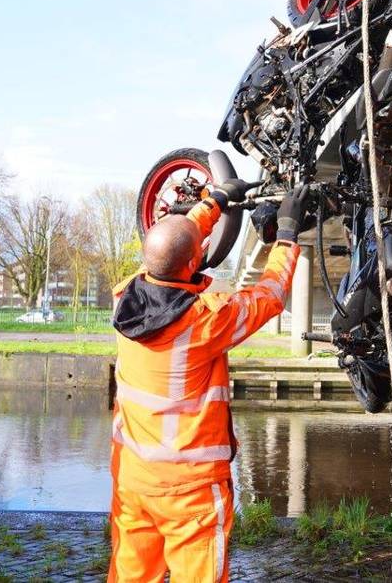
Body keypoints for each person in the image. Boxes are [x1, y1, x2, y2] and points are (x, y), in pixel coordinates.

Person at [106, 181, 310, 582]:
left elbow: (175, 245)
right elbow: (268, 296)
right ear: (191, 264)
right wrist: (286, 235)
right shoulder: (204, 323)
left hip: (133, 478)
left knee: (131, 574)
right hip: (190, 489)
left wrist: (213, 203)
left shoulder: (125, 297)